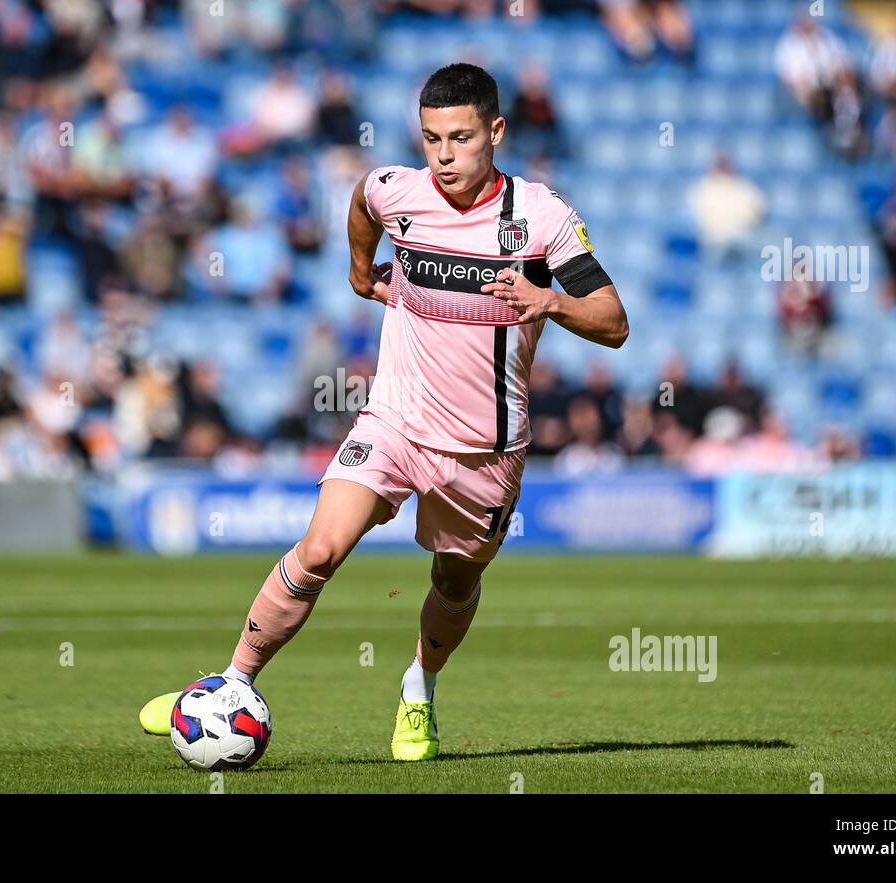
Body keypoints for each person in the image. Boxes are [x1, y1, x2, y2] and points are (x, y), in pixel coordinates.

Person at [137, 63, 628, 761]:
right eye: (431, 139)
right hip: (393, 421)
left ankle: (419, 688)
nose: (445, 155)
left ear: (496, 132)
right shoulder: (398, 189)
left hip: (485, 449)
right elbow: (364, 203)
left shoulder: (541, 216)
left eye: (461, 138)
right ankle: (226, 686)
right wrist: (360, 269)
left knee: (455, 581)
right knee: (319, 549)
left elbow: (613, 321)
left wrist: (550, 300)